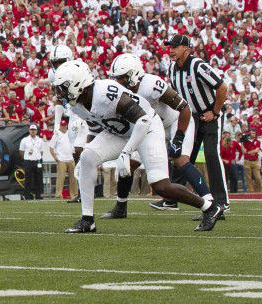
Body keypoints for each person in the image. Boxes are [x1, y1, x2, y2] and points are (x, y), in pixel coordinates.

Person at [53, 59, 222, 234]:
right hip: (120, 132)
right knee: (87, 157)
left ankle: (209, 207)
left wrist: (126, 153)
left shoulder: (106, 93)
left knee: (160, 185)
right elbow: (95, 129)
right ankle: (87, 220)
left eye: (64, 87)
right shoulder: (78, 104)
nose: (60, 92)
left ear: (79, 84)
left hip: (147, 127)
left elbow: (142, 119)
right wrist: (83, 158)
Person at [103, 53, 208, 219]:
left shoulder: (151, 84)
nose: (118, 82)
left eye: (122, 78)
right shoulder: (120, 92)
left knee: (180, 160)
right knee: (127, 164)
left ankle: (210, 203)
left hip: (176, 122)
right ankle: (120, 207)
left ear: (133, 75)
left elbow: (184, 108)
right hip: (152, 128)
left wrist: (179, 137)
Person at [163, 35, 231, 213]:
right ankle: (171, 198)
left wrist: (215, 112)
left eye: (175, 47)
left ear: (186, 48)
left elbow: (222, 87)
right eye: (170, 46)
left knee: (211, 153)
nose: (171, 50)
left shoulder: (198, 65)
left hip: (210, 115)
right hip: (190, 116)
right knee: (183, 155)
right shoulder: (171, 69)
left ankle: (221, 201)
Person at [18, 124, 45, 200]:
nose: (33, 131)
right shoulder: (24, 140)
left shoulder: (40, 140)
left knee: (38, 179)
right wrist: (26, 158)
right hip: (28, 161)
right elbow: (21, 151)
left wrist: (37, 157)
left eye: (34, 130)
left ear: (36, 131)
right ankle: (27, 195)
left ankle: (38, 195)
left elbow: (41, 151)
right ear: (29, 131)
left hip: (37, 161)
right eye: (31, 130)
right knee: (28, 179)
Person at [50, 121, 76, 199]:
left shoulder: (70, 134)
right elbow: (51, 148)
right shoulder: (56, 135)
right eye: (62, 125)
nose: (63, 127)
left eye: (64, 125)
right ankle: (58, 195)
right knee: (60, 178)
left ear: (67, 126)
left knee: (74, 178)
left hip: (71, 158)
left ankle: (74, 195)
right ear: (60, 126)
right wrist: (56, 158)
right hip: (61, 159)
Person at [243, 129, 261, 193]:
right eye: (251, 133)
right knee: (248, 177)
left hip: (255, 160)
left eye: (254, 133)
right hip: (247, 160)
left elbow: (256, 150)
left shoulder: (257, 142)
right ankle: (250, 191)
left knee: (258, 177)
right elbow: (243, 151)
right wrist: (242, 142)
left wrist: (248, 152)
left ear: (256, 134)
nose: (252, 134)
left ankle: (259, 190)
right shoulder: (245, 141)